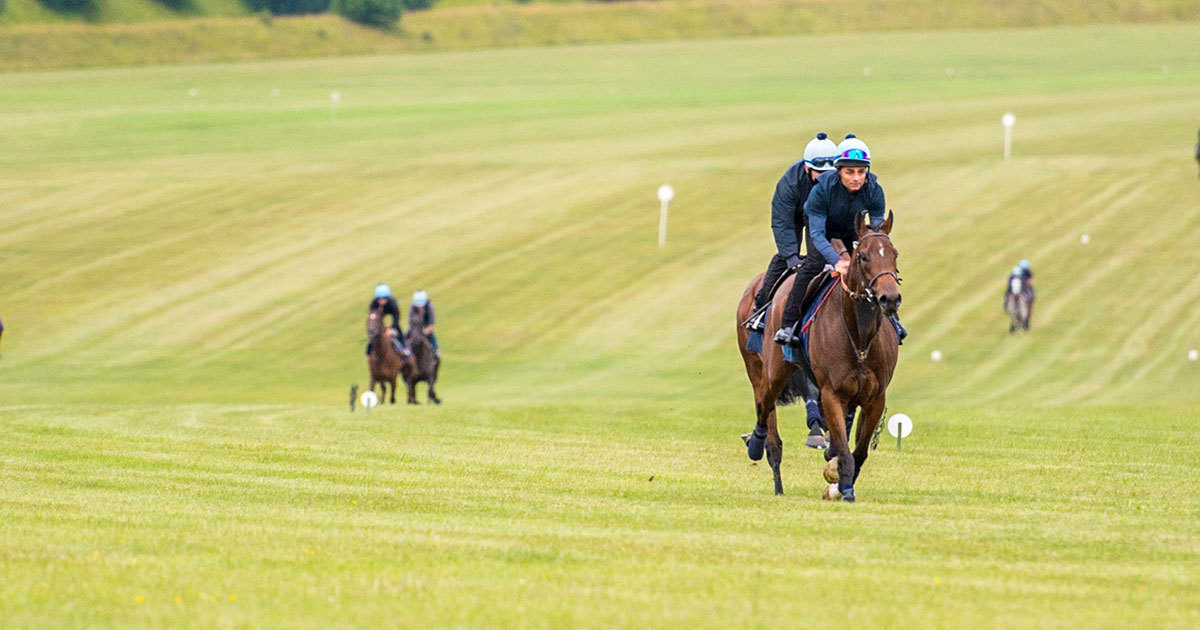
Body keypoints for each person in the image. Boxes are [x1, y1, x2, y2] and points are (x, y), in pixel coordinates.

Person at [774, 134, 908, 347]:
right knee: (813, 266)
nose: (856, 178)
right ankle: (788, 325)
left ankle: (893, 320)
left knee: (871, 263)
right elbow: (817, 234)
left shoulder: (875, 190)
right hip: (822, 230)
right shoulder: (820, 191)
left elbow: (875, 229)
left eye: (861, 172)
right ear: (838, 172)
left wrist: (874, 248)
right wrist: (836, 260)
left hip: (851, 229)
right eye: (849, 172)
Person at [744, 132, 839, 332]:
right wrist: (791, 256)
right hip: (794, 214)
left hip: (819, 213)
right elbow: (782, 222)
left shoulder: (838, 182)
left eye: (830, 174)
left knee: (823, 256)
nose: (825, 179)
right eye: (819, 174)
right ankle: (760, 308)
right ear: (807, 168)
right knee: (788, 256)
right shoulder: (790, 184)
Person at [366, 283, 407, 356]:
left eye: (383, 299)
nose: (381, 301)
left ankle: (403, 347)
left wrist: (391, 328)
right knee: (374, 332)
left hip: (391, 312)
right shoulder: (373, 304)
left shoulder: (392, 303)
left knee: (398, 329)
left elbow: (396, 317)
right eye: (379, 299)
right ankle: (369, 350)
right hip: (379, 316)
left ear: (387, 298)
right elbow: (373, 318)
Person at [409, 290, 439, 357]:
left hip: (426, 323)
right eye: (418, 305)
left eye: (421, 305)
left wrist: (423, 334)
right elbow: (411, 323)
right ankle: (404, 349)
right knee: (407, 334)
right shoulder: (412, 307)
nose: (419, 306)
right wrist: (414, 334)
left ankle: (435, 350)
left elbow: (431, 325)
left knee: (431, 336)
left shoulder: (430, 307)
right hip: (416, 322)